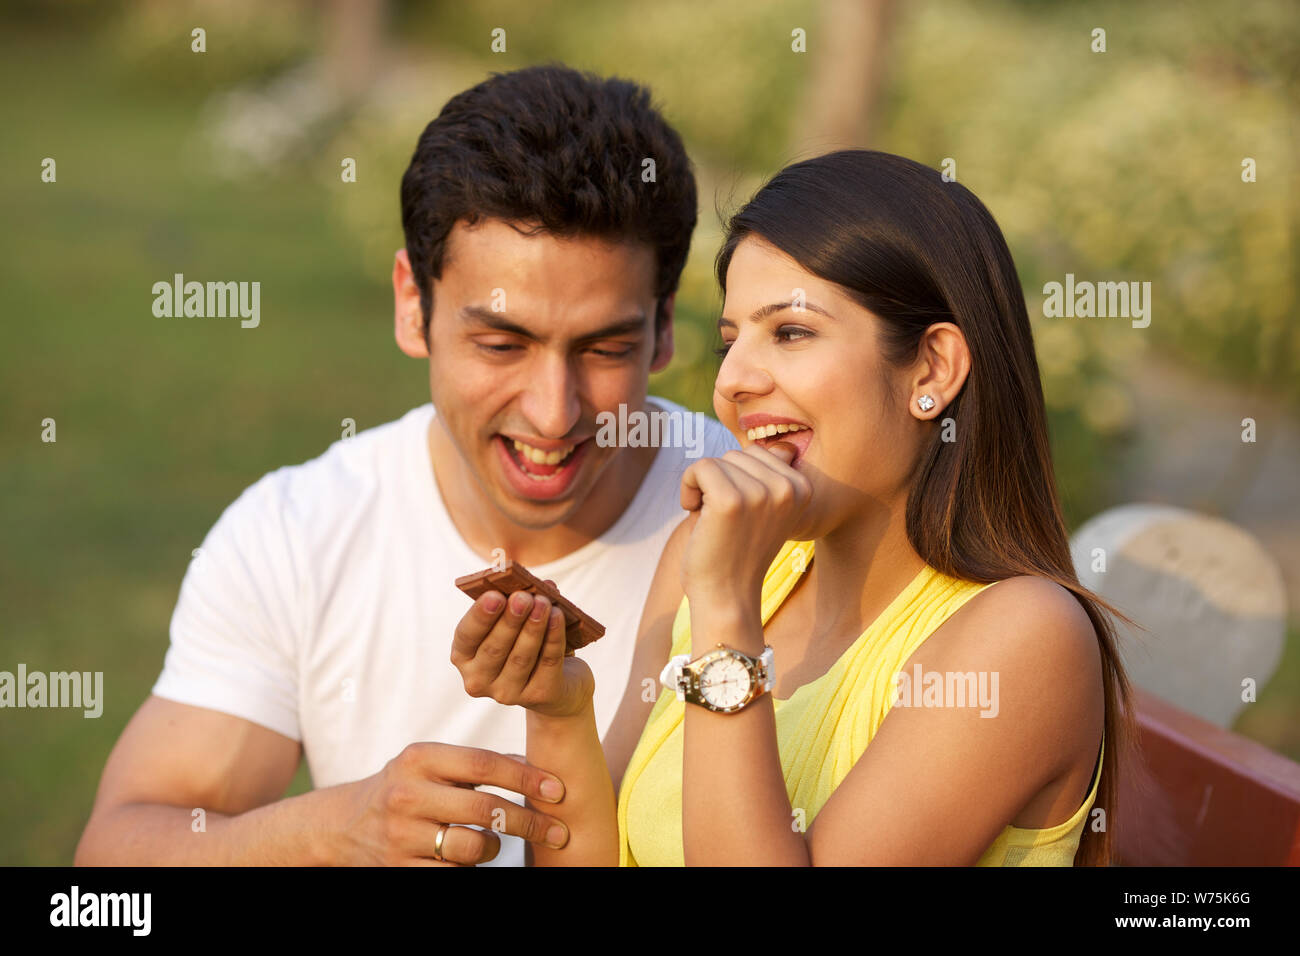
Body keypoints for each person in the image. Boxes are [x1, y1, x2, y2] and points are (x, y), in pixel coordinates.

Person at [75, 64, 738, 868]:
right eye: (501, 344)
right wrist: (329, 832)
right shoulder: (296, 533)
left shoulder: (756, 512)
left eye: (605, 349)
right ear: (410, 305)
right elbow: (109, 867)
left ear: (666, 330)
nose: (553, 411)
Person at [450, 149, 1138, 866]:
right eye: (729, 342)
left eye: (791, 333)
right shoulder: (707, 564)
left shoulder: (1021, 639)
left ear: (932, 369)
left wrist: (725, 616)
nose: (735, 382)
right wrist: (559, 710)